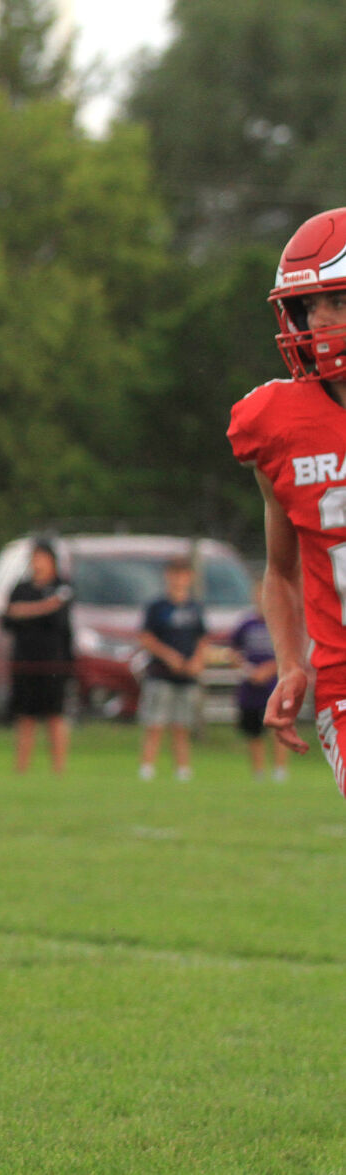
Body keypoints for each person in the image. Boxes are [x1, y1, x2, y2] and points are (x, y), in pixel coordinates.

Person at [228, 206, 346, 794]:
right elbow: (281, 570)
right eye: (307, 306)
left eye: (337, 303)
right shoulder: (278, 425)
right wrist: (292, 660)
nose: (316, 321)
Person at [136, 557, 209, 782]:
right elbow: (145, 638)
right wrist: (169, 656)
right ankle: (147, 767)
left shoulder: (195, 607)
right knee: (155, 723)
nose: (179, 579)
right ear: (167, 576)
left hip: (187, 676)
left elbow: (202, 638)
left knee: (181, 724)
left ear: (190, 578)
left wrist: (197, 661)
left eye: (183, 574)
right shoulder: (157, 607)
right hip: (161, 674)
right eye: (174, 574)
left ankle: (182, 769)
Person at [4, 541, 74, 773]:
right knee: (25, 717)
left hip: (54, 663)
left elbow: (60, 620)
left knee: (55, 716)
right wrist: (45, 606)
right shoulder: (21, 588)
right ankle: (21, 769)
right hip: (25, 661)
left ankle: (59, 769)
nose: (37, 564)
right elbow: (8, 617)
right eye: (34, 558)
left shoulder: (62, 587)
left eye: (42, 558)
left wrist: (26, 610)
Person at [230, 585, 287, 782]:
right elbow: (234, 653)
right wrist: (247, 669)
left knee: (278, 728)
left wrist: (268, 670)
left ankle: (280, 771)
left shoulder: (281, 622)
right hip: (251, 686)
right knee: (254, 731)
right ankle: (259, 772)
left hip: (275, 685)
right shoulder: (246, 625)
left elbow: (289, 653)